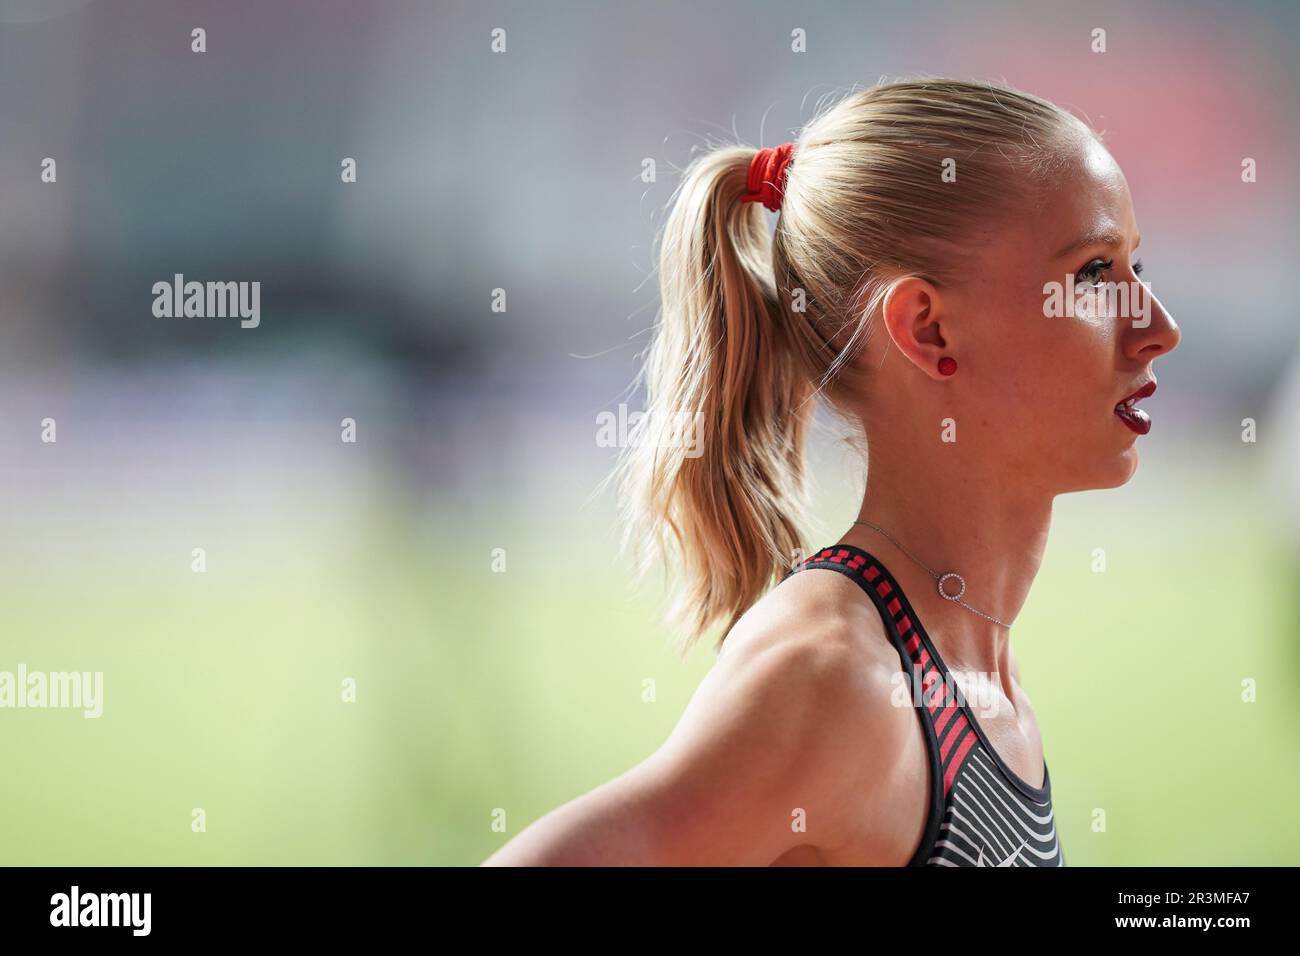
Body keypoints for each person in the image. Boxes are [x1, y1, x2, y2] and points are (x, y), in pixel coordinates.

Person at [482, 77, 1180, 866]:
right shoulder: (839, 682)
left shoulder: (966, 667)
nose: (1159, 327)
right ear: (927, 328)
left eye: (1135, 265)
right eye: (1092, 276)